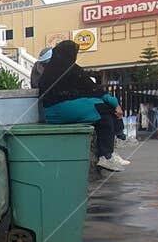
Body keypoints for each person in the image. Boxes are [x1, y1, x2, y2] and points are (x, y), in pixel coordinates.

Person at [38, 40, 129, 171]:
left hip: (51, 113)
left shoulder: (49, 71)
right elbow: (94, 90)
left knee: (102, 108)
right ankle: (109, 153)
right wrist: (115, 103)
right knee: (104, 110)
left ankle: (114, 146)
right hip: (63, 109)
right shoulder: (72, 69)